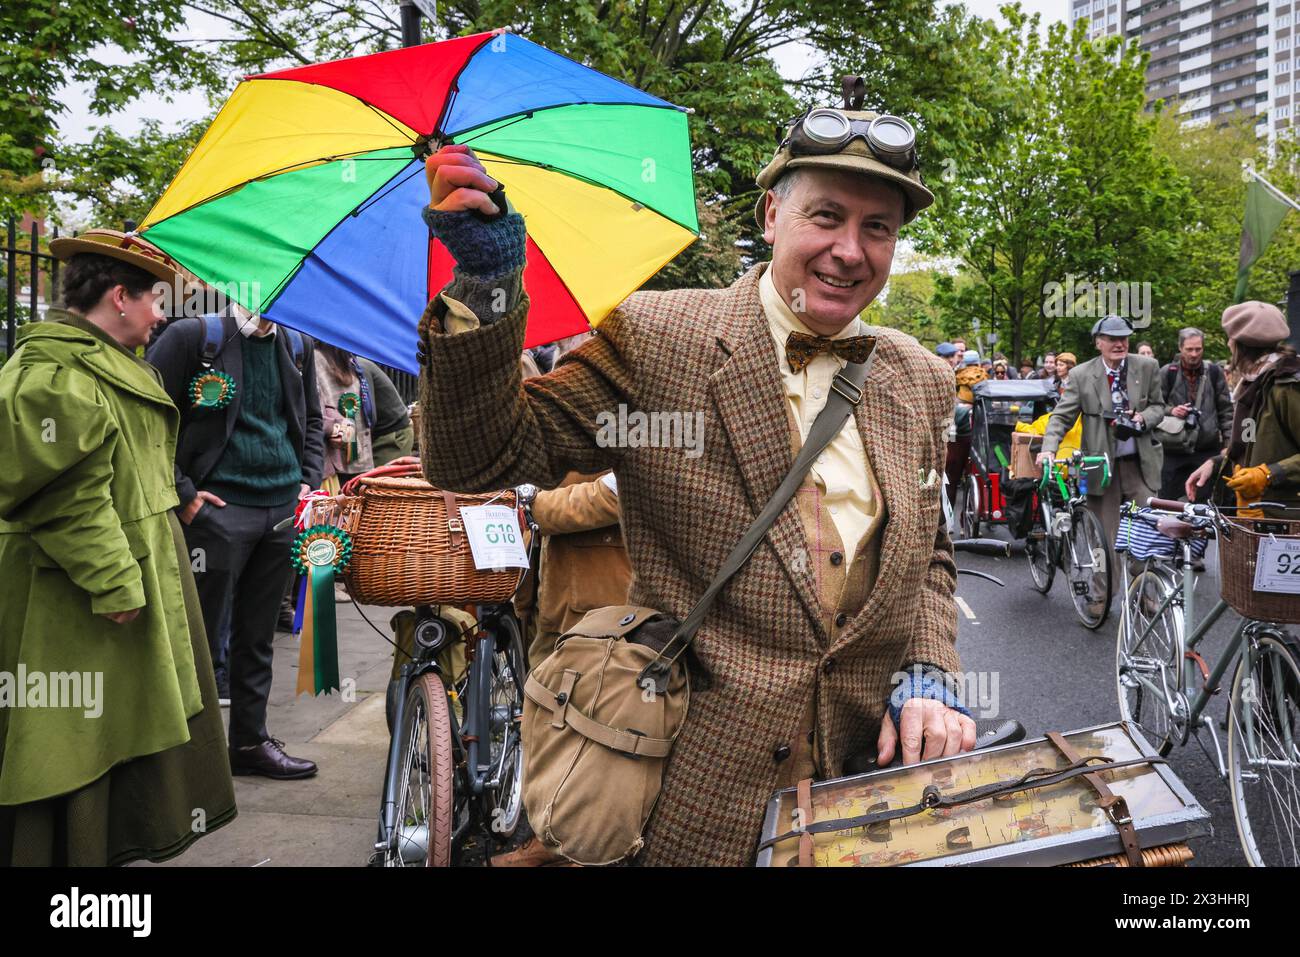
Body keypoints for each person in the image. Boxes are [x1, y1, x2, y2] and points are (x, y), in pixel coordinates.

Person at [414, 87, 975, 866]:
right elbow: (479, 458)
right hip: (691, 799)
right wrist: (488, 287)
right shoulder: (659, 337)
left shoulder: (918, 377)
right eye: (826, 216)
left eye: (876, 228)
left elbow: (931, 560)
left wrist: (929, 670)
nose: (851, 249)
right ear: (772, 217)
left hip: (864, 796)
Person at [0, 229, 235, 864]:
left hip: (128, 579)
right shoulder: (52, 374)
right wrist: (113, 582)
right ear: (121, 297)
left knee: (119, 730)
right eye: (157, 301)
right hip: (80, 596)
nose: (163, 316)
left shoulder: (99, 364)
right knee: (73, 741)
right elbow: (65, 495)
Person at [147, 303, 324, 779]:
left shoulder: (296, 343)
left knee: (258, 638)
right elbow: (147, 418)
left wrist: (306, 482)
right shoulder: (193, 337)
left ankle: (248, 742)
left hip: (281, 511)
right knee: (197, 639)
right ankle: (186, 760)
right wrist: (184, 494)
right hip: (216, 512)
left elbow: (310, 421)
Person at [1038, 316, 1165, 547]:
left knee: (1145, 535)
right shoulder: (1081, 374)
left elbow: (1159, 406)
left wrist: (1143, 418)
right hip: (1100, 465)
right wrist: (1049, 450)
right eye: (1112, 339)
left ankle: (1143, 581)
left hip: (1141, 465)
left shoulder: (1147, 367)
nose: (1120, 344)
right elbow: (1061, 417)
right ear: (1098, 343)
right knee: (1105, 541)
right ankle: (1106, 584)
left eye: (1124, 338)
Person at [1187, 302, 1300, 515]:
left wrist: (1269, 474)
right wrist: (1216, 463)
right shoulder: (1253, 383)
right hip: (1252, 517)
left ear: (1243, 346)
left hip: (1285, 521)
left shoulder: (1287, 386)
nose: (1229, 344)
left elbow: (1266, 466)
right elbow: (1249, 442)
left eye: (1232, 339)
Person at [1157, 327, 1234, 501]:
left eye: (1198, 349)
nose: (1194, 354)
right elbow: (1154, 407)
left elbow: (1226, 411)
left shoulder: (1214, 372)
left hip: (1206, 450)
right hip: (1174, 449)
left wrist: (1228, 445)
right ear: (1180, 348)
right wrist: (1172, 410)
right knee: (1167, 504)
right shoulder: (1168, 373)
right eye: (1189, 349)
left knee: (1205, 505)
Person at [314, 341, 375, 485]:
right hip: (339, 454)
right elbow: (318, 409)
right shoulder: (318, 359)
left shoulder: (350, 358)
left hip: (353, 449)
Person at [358, 358, 415, 466]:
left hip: (393, 434)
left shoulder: (361, 368)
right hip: (381, 432)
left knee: (381, 480)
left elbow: (369, 415)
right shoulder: (357, 365)